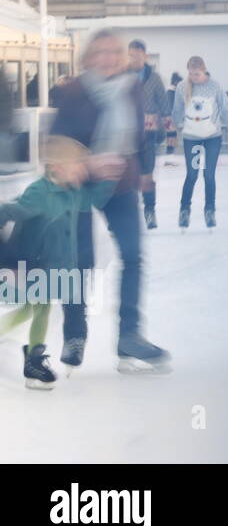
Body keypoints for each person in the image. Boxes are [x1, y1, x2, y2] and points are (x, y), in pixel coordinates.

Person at [50, 29, 170, 372]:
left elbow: (139, 131)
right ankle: (74, 333)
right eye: (100, 52)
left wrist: (146, 170)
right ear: (88, 57)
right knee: (78, 261)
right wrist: (89, 163)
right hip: (78, 187)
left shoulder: (132, 86)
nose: (108, 58)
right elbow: (56, 144)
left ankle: (129, 336)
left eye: (114, 52)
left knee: (133, 255)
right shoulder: (72, 91)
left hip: (120, 182)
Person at [0, 136, 121, 388]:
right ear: (56, 167)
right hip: (32, 264)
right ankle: (33, 360)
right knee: (32, 309)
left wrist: (108, 179)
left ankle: (33, 361)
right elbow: (10, 211)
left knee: (38, 309)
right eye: (77, 165)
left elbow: (93, 200)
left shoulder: (73, 192)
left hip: (54, 266)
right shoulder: (39, 193)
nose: (82, 170)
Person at [173, 55, 228, 229]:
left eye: (197, 74)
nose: (194, 77)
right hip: (191, 139)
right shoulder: (182, 87)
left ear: (204, 70)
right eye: (191, 74)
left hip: (212, 138)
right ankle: (184, 210)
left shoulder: (215, 86)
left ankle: (210, 210)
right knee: (192, 175)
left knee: (208, 175)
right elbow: (177, 111)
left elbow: (225, 109)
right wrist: (174, 129)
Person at [127, 39, 168, 229]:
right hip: (125, 136)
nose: (133, 58)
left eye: (136, 55)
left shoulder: (155, 78)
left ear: (145, 55)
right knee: (126, 178)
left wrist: (165, 130)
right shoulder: (121, 76)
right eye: (130, 55)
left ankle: (150, 211)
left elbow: (164, 105)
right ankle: (126, 216)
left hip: (148, 136)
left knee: (146, 175)